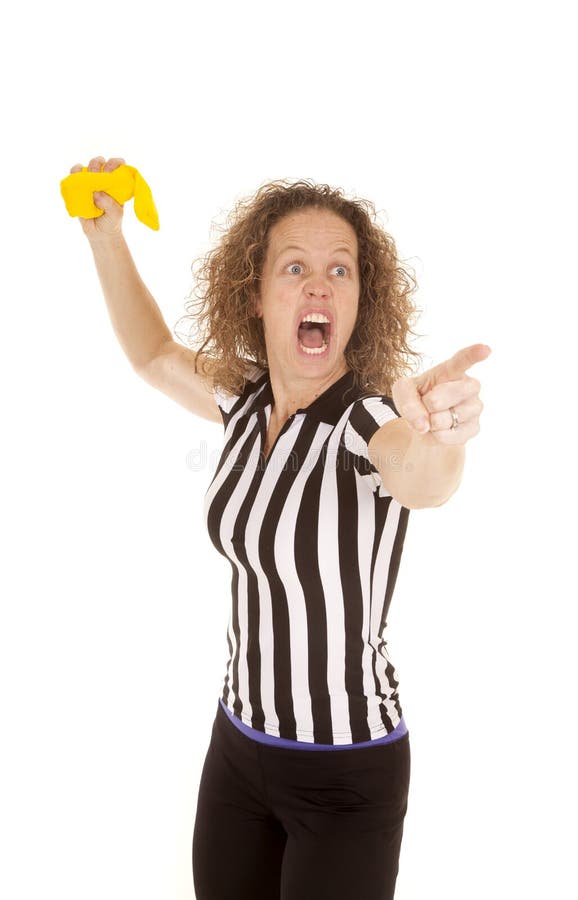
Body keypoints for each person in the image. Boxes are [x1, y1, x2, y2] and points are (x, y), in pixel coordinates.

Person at [69, 155, 490, 900]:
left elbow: (421, 480)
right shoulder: (242, 399)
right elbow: (155, 354)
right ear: (257, 297)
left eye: (341, 270)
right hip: (237, 748)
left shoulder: (370, 425)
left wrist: (440, 437)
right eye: (294, 268)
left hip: (347, 774)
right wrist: (105, 236)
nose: (319, 284)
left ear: (363, 301)